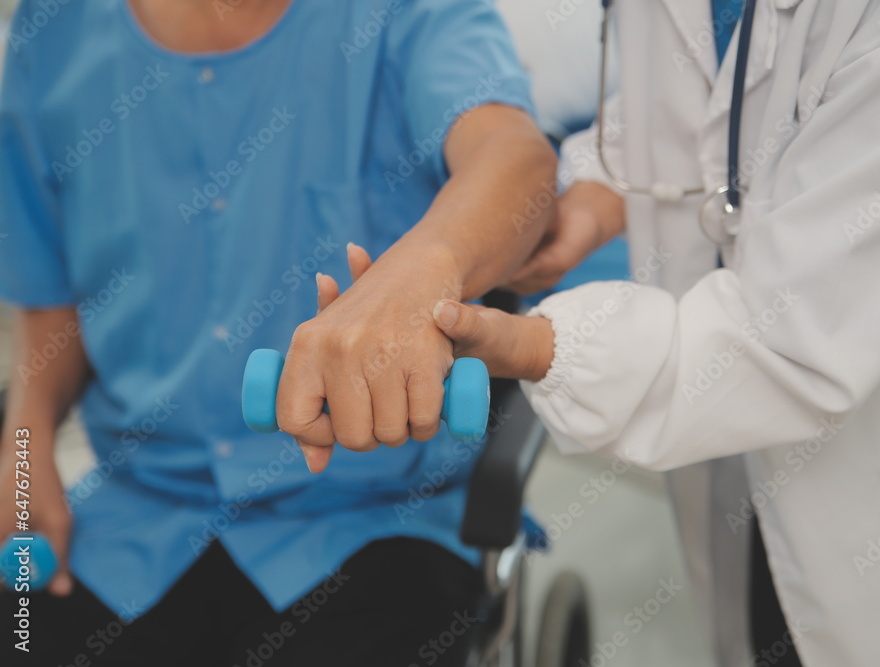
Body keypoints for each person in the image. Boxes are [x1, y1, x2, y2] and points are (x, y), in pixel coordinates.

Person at [353, 0, 880, 664]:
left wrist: (532, 345)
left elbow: (791, 337)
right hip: (741, 476)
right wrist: (601, 197)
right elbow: (712, 103)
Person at [0, 0, 556, 664]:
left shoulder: (404, 17)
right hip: (138, 520)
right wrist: (24, 453)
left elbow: (514, 160)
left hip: (374, 523)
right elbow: (53, 301)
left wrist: (421, 272)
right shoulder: (54, 30)